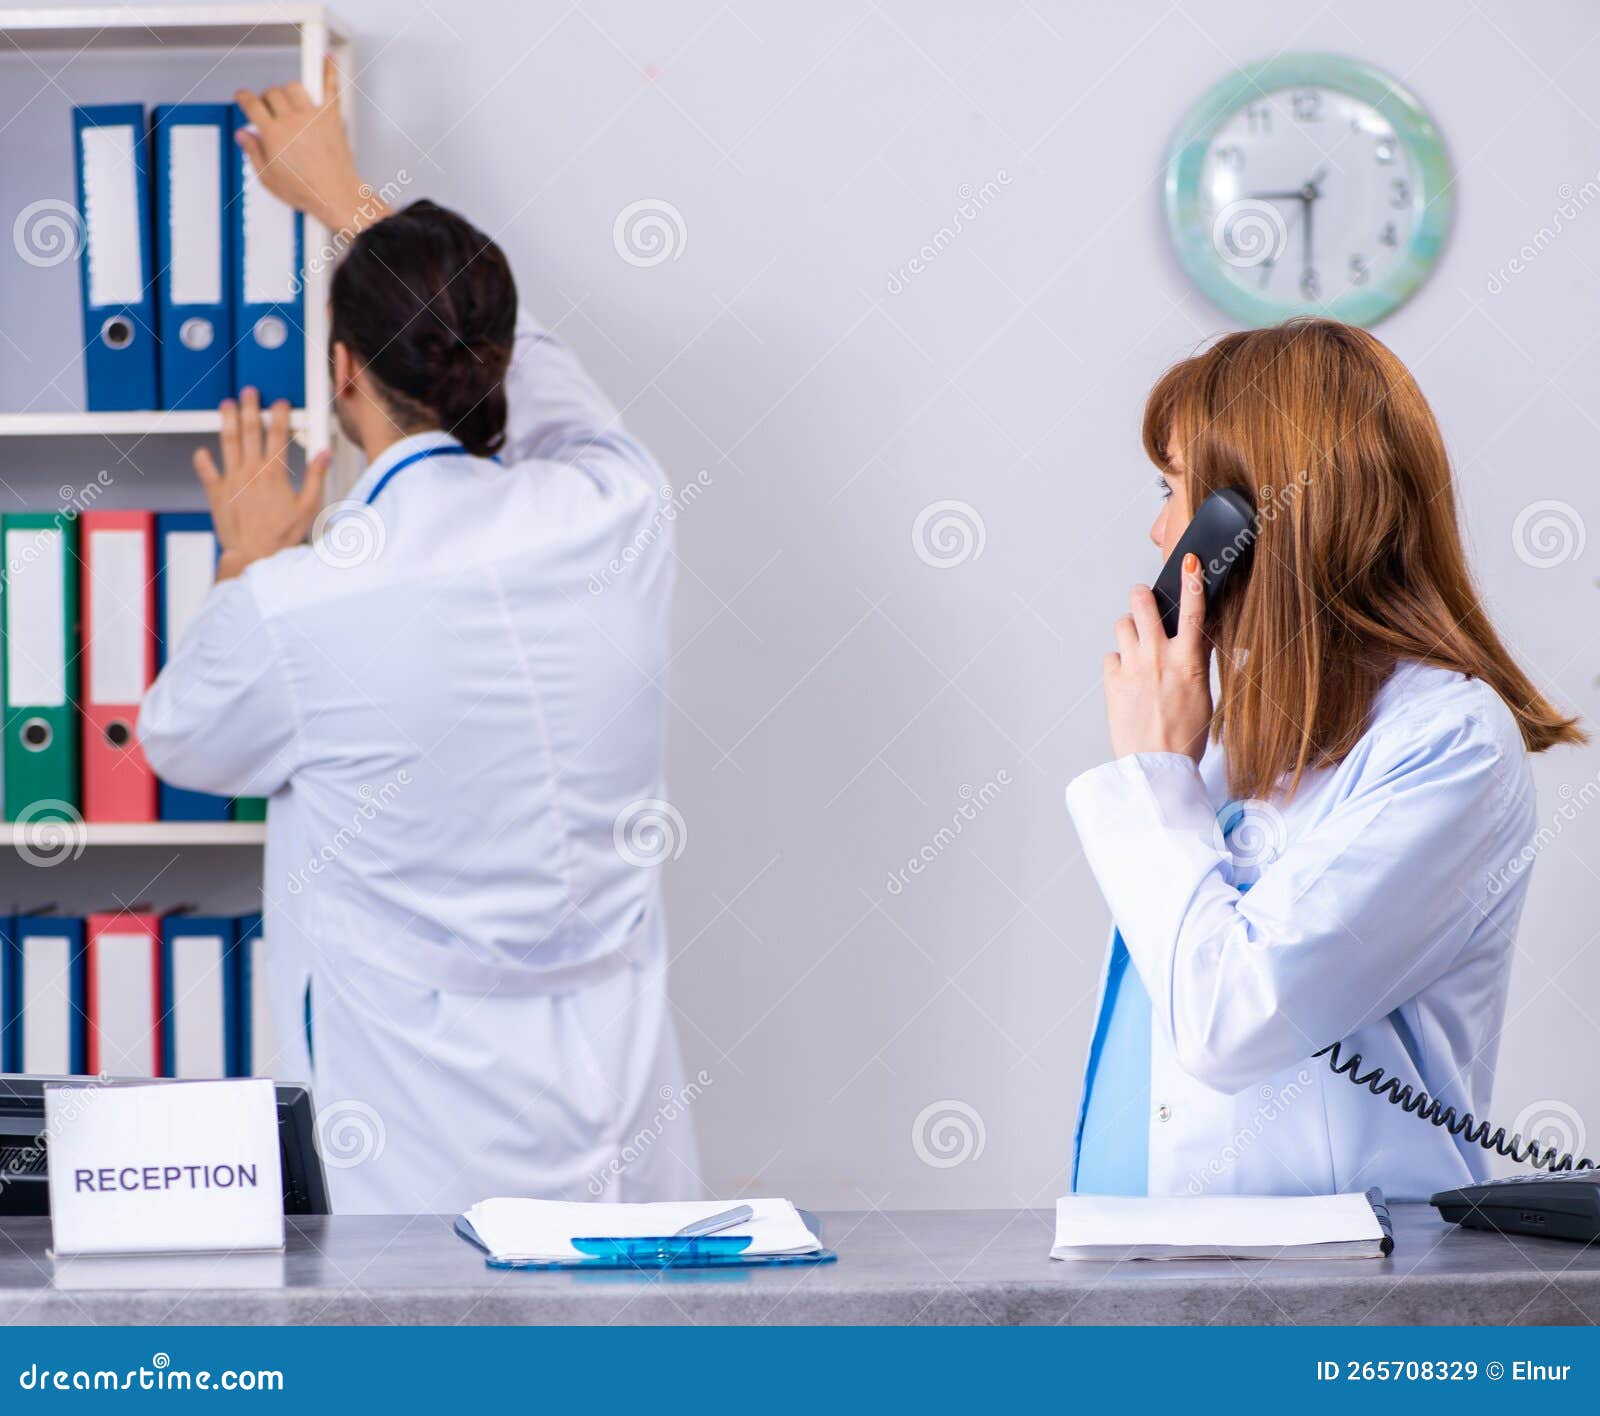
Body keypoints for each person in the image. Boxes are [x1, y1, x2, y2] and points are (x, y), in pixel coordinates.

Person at [139, 66, 701, 1213]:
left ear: (340, 371)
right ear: (492, 355)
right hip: (620, 1137)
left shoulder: (294, 607)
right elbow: (543, 377)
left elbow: (179, 741)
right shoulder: (618, 511)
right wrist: (346, 195)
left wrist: (246, 556)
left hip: (410, 1156)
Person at [1065, 319, 1585, 1201]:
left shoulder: (1447, 741)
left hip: (1343, 1284)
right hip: (1153, 1261)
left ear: (1247, 523)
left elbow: (1230, 1024)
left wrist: (1155, 777)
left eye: (1174, 489)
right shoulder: (1235, 741)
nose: (1158, 532)